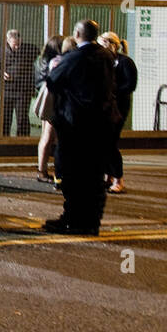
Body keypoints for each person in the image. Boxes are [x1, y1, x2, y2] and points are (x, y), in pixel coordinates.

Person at [44, 20, 118, 235]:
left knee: (73, 173)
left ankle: (72, 218)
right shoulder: (107, 57)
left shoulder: (74, 58)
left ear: (77, 34)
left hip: (76, 124)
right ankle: (91, 221)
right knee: (95, 175)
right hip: (102, 124)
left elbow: (53, 81)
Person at [98, 31, 136, 195]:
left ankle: (118, 178)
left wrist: (112, 92)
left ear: (111, 44)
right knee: (104, 142)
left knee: (110, 142)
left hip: (118, 107)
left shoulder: (125, 62)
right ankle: (108, 176)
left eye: (103, 43)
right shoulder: (104, 62)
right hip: (105, 107)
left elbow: (130, 85)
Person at [0, 28, 37, 136]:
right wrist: (1, 74)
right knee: (5, 119)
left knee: (22, 119)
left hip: (23, 90)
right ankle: (3, 140)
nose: (16, 47)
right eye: (14, 44)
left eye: (18, 44)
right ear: (8, 40)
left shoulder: (29, 49)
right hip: (6, 90)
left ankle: (23, 142)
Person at [33, 35, 63, 184]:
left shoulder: (40, 61)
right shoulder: (56, 62)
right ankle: (42, 171)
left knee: (45, 136)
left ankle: (42, 169)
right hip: (54, 101)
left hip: (46, 100)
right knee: (49, 136)